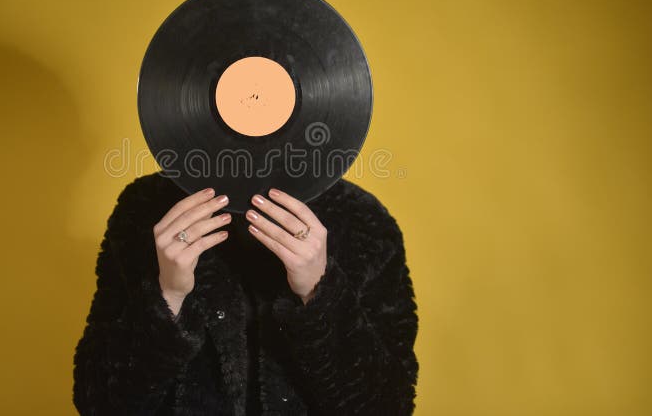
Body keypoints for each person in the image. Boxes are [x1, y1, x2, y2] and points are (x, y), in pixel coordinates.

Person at [72, 171, 418, 415]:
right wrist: (168, 296)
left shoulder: (360, 219)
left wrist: (320, 293)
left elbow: (389, 406)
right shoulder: (145, 209)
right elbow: (99, 403)